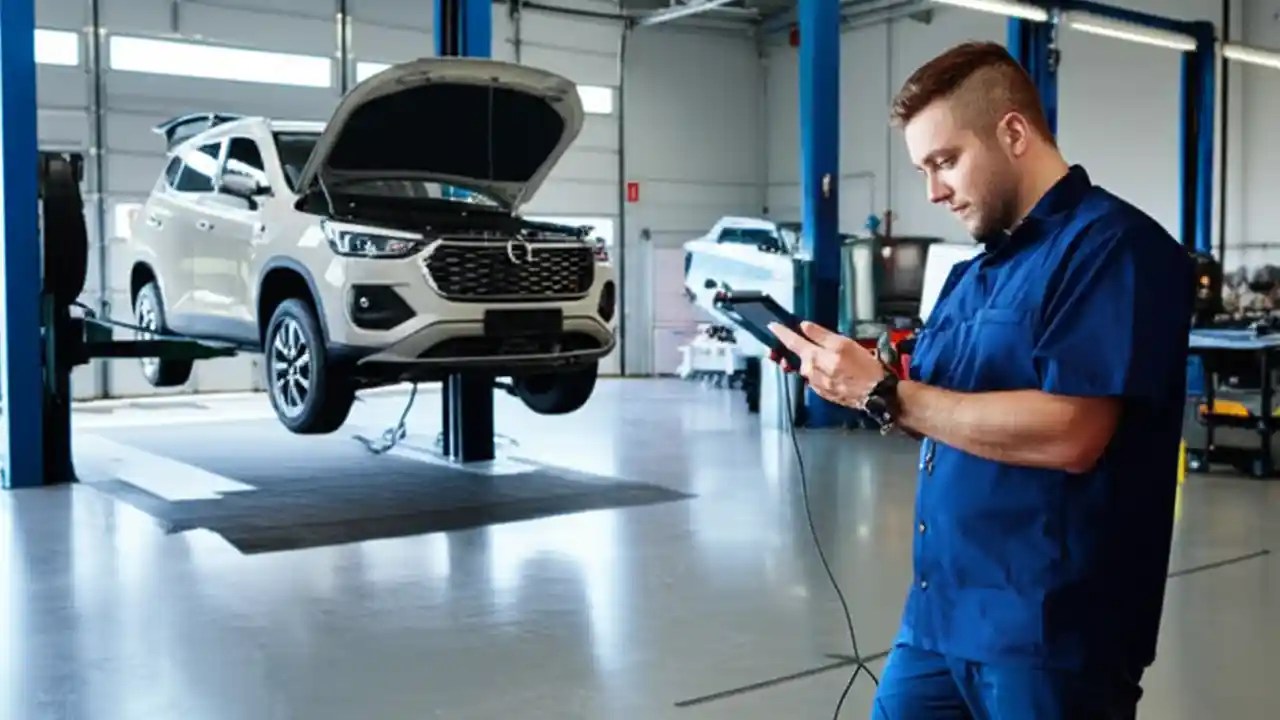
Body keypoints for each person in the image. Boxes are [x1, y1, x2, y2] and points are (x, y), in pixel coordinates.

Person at [768, 41, 1193, 719]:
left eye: (944, 161)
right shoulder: (975, 275)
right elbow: (934, 409)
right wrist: (851, 378)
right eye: (922, 169)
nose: (933, 190)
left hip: (1049, 633)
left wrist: (886, 394)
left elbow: (1072, 433)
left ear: (1014, 132)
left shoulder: (1114, 249)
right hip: (940, 616)